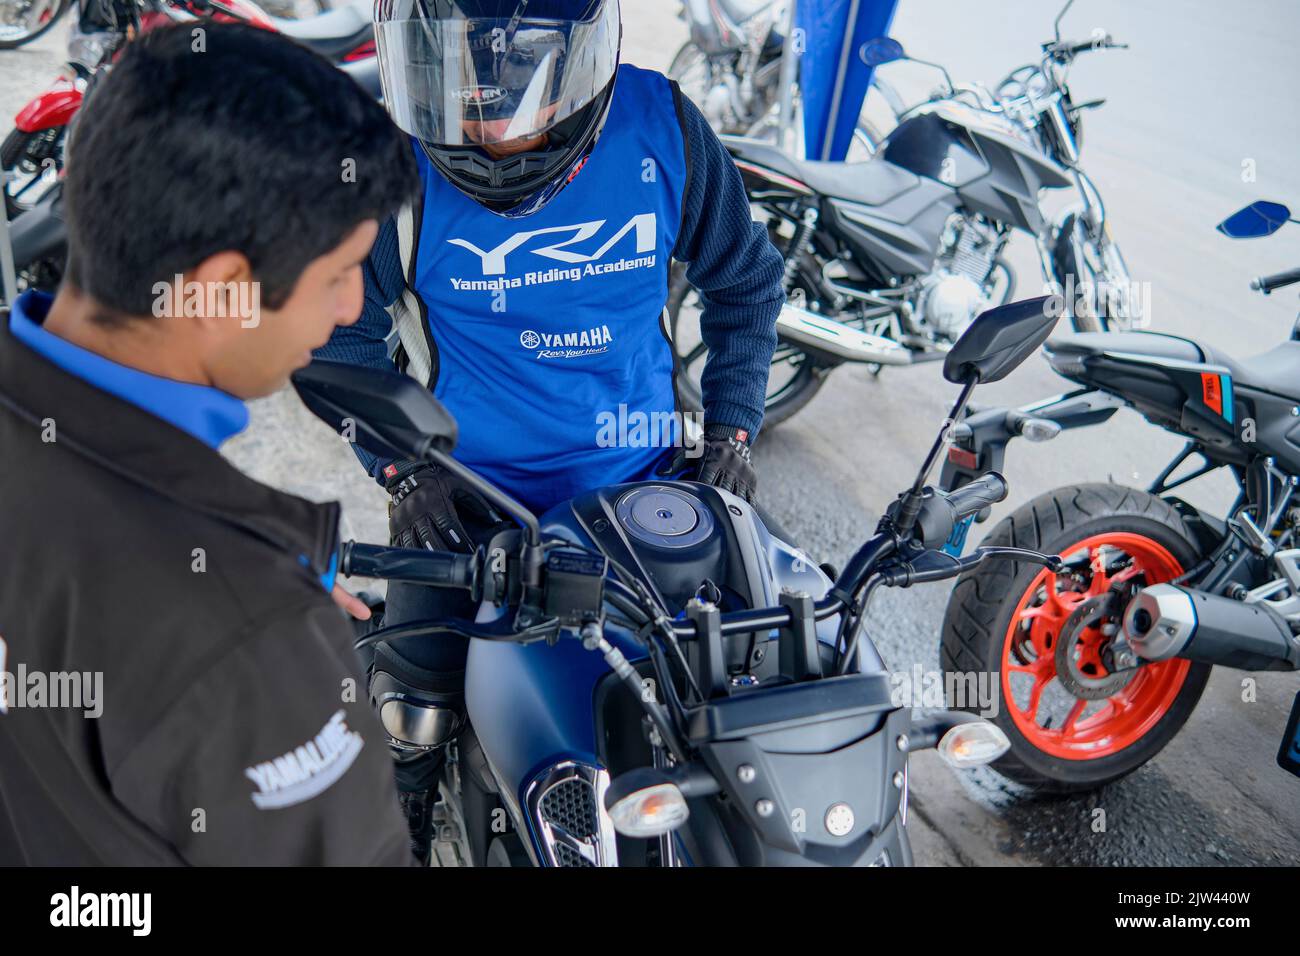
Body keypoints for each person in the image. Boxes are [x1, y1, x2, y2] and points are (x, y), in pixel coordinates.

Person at [315, 0, 785, 852]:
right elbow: (341, 337)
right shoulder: (393, 167)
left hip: (645, 492)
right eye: (453, 81)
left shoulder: (663, 128)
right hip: (472, 503)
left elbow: (746, 282)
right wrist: (402, 471)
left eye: (511, 97)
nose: (487, 128)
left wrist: (732, 432)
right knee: (406, 709)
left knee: (748, 689)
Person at [0, 23, 421, 865]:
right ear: (223, 290)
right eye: (340, 273)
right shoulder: (246, 641)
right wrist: (259, 631)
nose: (349, 311)